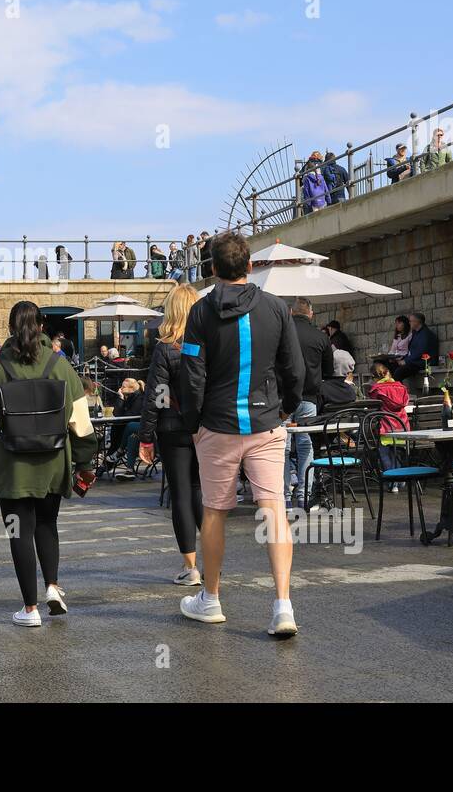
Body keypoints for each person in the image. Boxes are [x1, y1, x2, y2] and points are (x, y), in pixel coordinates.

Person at [178, 231, 304, 637]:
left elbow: (192, 375)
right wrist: (285, 407)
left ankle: (211, 598)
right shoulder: (277, 308)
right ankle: (283, 605)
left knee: (215, 511)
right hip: (266, 422)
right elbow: (295, 370)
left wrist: (193, 423)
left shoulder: (199, 312)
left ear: (212, 269)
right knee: (275, 509)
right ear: (251, 266)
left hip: (217, 424)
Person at [0, 300, 97, 627]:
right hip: (53, 462)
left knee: (18, 533)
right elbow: (81, 423)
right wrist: (84, 463)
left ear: (10, 329)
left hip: (11, 467)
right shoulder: (60, 365)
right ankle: (53, 587)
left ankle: (30, 609)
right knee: (46, 524)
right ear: (42, 327)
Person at [138, 283, 203, 586]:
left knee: (180, 494)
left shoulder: (166, 349)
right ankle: (213, 560)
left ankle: (191, 567)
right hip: (205, 428)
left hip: (173, 428)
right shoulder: (209, 346)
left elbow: (157, 395)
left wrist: (146, 436)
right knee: (202, 492)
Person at [285, 298, 332, 509]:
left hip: (281, 396)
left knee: (281, 447)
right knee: (305, 445)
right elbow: (329, 372)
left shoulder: (283, 332)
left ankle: (284, 496)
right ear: (311, 314)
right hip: (308, 397)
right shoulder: (321, 337)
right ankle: (304, 495)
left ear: (290, 312)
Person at [367, 359, 410, 489]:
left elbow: (372, 408)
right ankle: (400, 478)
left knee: (384, 453)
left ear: (374, 377)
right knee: (397, 453)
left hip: (385, 427)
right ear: (388, 373)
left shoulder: (376, 390)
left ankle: (392, 482)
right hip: (402, 426)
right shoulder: (401, 387)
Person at [107, 376, 144, 481]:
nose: (120, 389)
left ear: (131, 389)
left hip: (142, 429)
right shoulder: (129, 398)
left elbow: (128, 417)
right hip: (132, 432)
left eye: (123, 387)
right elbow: (118, 414)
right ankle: (128, 469)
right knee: (126, 433)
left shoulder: (139, 398)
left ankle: (118, 452)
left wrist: (121, 399)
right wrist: (121, 398)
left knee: (125, 427)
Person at [393, 312, 440, 381]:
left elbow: (420, 352)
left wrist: (406, 361)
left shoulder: (425, 334)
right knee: (391, 366)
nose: (409, 323)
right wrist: (402, 360)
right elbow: (411, 350)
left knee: (399, 372)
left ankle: (399, 391)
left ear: (417, 322)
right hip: (415, 361)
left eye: (410, 321)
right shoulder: (416, 333)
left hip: (423, 363)